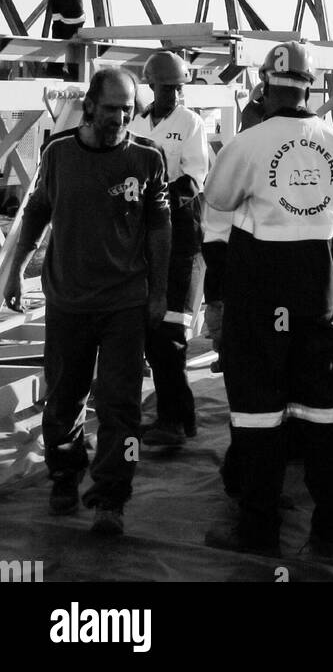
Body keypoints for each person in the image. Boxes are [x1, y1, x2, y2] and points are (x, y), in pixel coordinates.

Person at [200, 40, 333, 560]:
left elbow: (219, 204)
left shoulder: (247, 145)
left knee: (257, 413)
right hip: (318, 292)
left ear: (264, 86)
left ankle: (259, 529)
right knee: (320, 413)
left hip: (261, 293)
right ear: (310, 89)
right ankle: (332, 531)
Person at [2, 69, 170, 535]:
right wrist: (16, 269)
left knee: (121, 406)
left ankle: (111, 498)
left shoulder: (147, 157)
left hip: (124, 304)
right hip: (68, 301)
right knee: (63, 401)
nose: (120, 116)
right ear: (91, 105)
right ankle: (63, 474)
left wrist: (158, 293)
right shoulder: (58, 153)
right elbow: (36, 210)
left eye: (127, 108)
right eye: (112, 106)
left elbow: (160, 229)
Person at [129, 51, 209, 448]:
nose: (174, 94)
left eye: (179, 87)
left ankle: (174, 421)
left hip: (181, 241)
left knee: (170, 333)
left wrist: (158, 196)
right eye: (166, 87)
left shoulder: (190, 123)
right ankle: (179, 417)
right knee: (153, 333)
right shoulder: (137, 124)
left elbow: (194, 177)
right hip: (147, 240)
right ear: (152, 87)